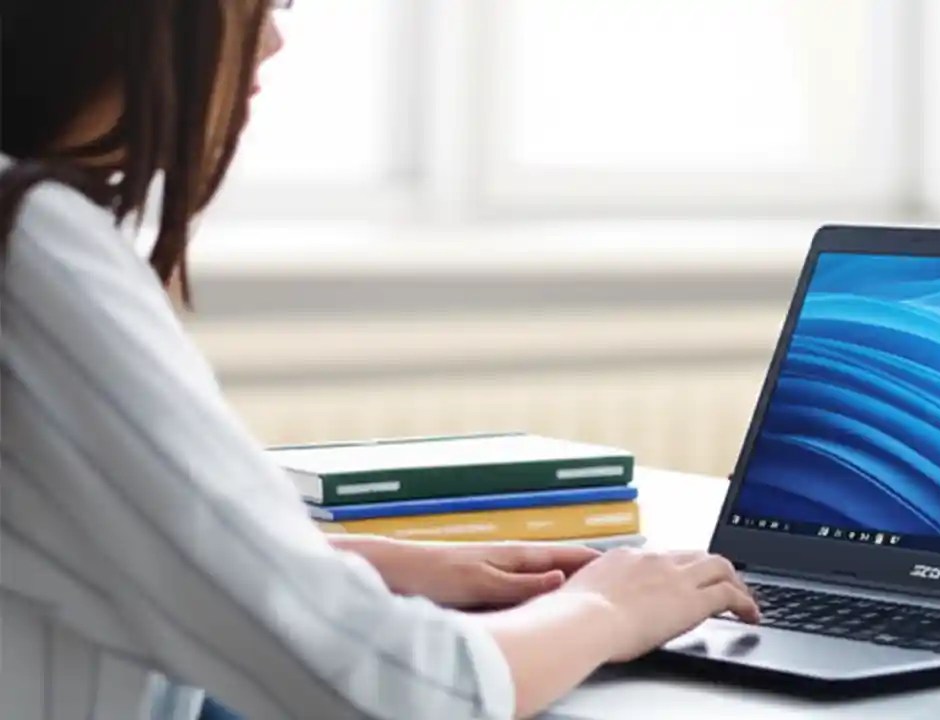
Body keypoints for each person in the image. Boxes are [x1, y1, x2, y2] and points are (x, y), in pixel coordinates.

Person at [0, 1, 761, 718]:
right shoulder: (30, 252)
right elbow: (388, 689)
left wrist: (358, 564)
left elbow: (71, 524)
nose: (271, 37)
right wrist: (608, 607)